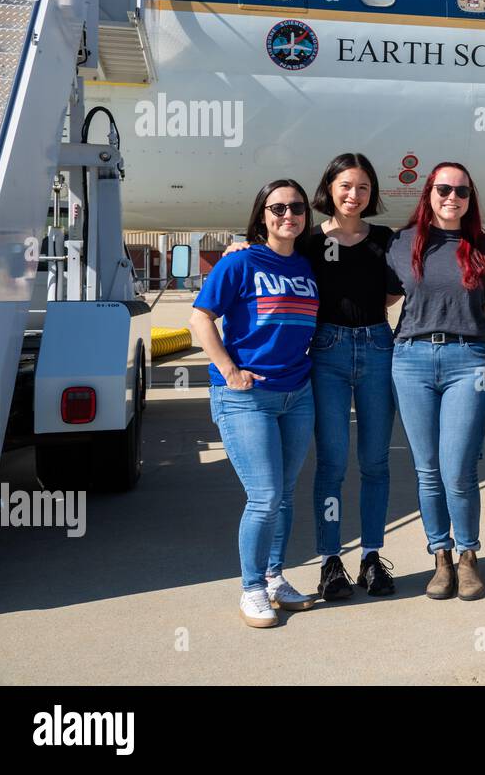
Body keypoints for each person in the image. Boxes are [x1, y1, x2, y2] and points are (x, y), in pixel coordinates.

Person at [191, 179, 319, 628]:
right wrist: (229, 370)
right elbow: (200, 318)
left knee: (284, 495)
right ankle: (250, 590)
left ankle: (273, 577)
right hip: (246, 397)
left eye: (297, 207)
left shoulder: (307, 265)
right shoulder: (240, 262)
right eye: (278, 207)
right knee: (264, 497)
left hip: (297, 394)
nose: (288, 215)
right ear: (262, 214)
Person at [388, 163, 485, 601]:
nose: (452, 197)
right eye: (443, 189)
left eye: (462, 191)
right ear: (429, 193)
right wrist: (251, 247)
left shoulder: (483, 246)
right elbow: (347, 261)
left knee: (458, 468)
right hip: (411, 358)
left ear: (471, 198)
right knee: (427, 469)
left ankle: (469, 555)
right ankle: (441, 556)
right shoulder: (399, 243)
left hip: (468, 359)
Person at [301, 154, 403, 600]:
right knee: (332, 463)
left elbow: (394, 289)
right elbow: (271, 260)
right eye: (345, 186)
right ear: (329, 188)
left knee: (376, 462)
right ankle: (329, 562)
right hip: (328, 351)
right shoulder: (308, 242)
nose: (353, 195)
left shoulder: (383, 238)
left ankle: (371, 558)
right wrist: (240, 248)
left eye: (362, 187)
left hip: (379, 348)